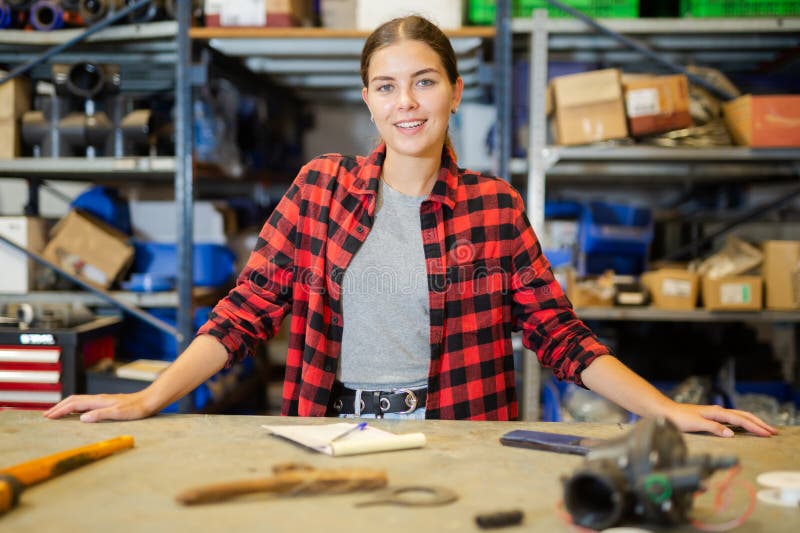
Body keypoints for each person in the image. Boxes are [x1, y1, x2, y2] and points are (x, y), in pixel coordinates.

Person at [45, 15, 776, 438]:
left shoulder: (493, 206)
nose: (408, 103)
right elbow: (243, 313)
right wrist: (145, 399)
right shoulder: (321, 188)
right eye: (388, 86)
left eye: (425, 81)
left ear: (455, 91)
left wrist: (666, 410)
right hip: (329, 435)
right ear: (369, 101)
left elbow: (561, 335)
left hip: (456, 434)